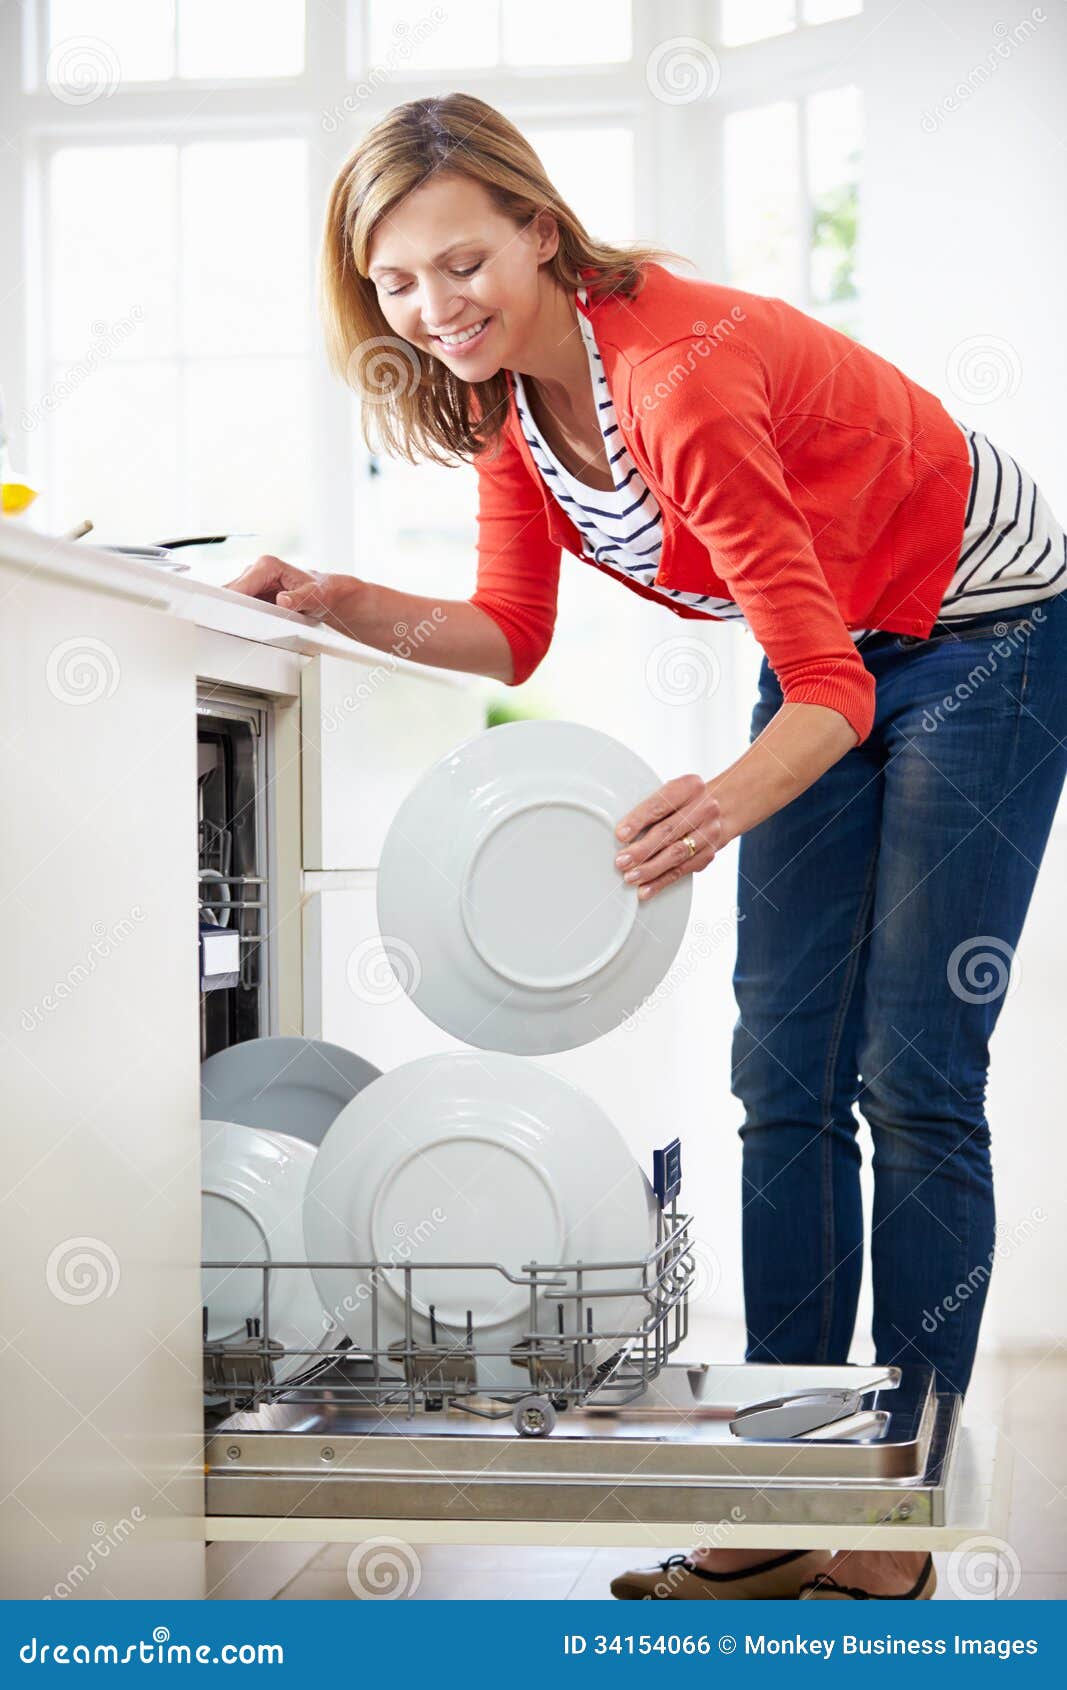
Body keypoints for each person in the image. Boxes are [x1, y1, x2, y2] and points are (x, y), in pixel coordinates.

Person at [225, 93, 1067, 1601]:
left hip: (987, 627)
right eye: (400, 285)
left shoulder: (674, 383)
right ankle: (783, 1482)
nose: (437, 310)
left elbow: (829, 695)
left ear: (542, 229)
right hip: (838, 638)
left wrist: (720, 804)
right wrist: (344, 597)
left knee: (911, 1074)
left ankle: (893, 1525)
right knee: (778, 1076)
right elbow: (512, 632)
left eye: (464, 263)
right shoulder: (507, 404)